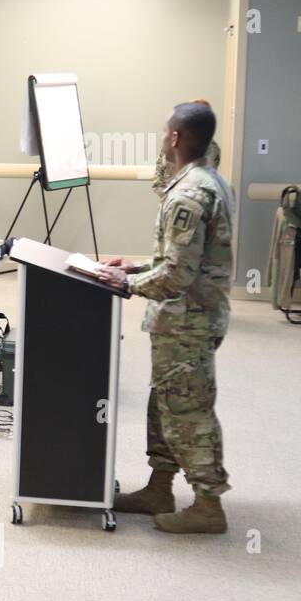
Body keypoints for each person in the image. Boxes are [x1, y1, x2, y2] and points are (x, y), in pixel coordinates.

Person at [94, 102, 234, 534]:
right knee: (165, 404)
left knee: (188, 410)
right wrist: (135, 267)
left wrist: (125, 284)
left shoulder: (189, 193)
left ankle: (209, 505)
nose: (162, 136)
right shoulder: (209, 180)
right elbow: (178, 258)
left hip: (186, 321)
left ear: (174, 138)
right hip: (187, 317)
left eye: (164, 131)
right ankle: (160, 486)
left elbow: (178, 274)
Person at [152, 98, 221, 197]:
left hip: (190, 196)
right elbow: (158, 177)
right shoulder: (171, 141)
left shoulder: (212, 150)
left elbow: (203, 181)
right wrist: (167, 196)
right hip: (170, 197)